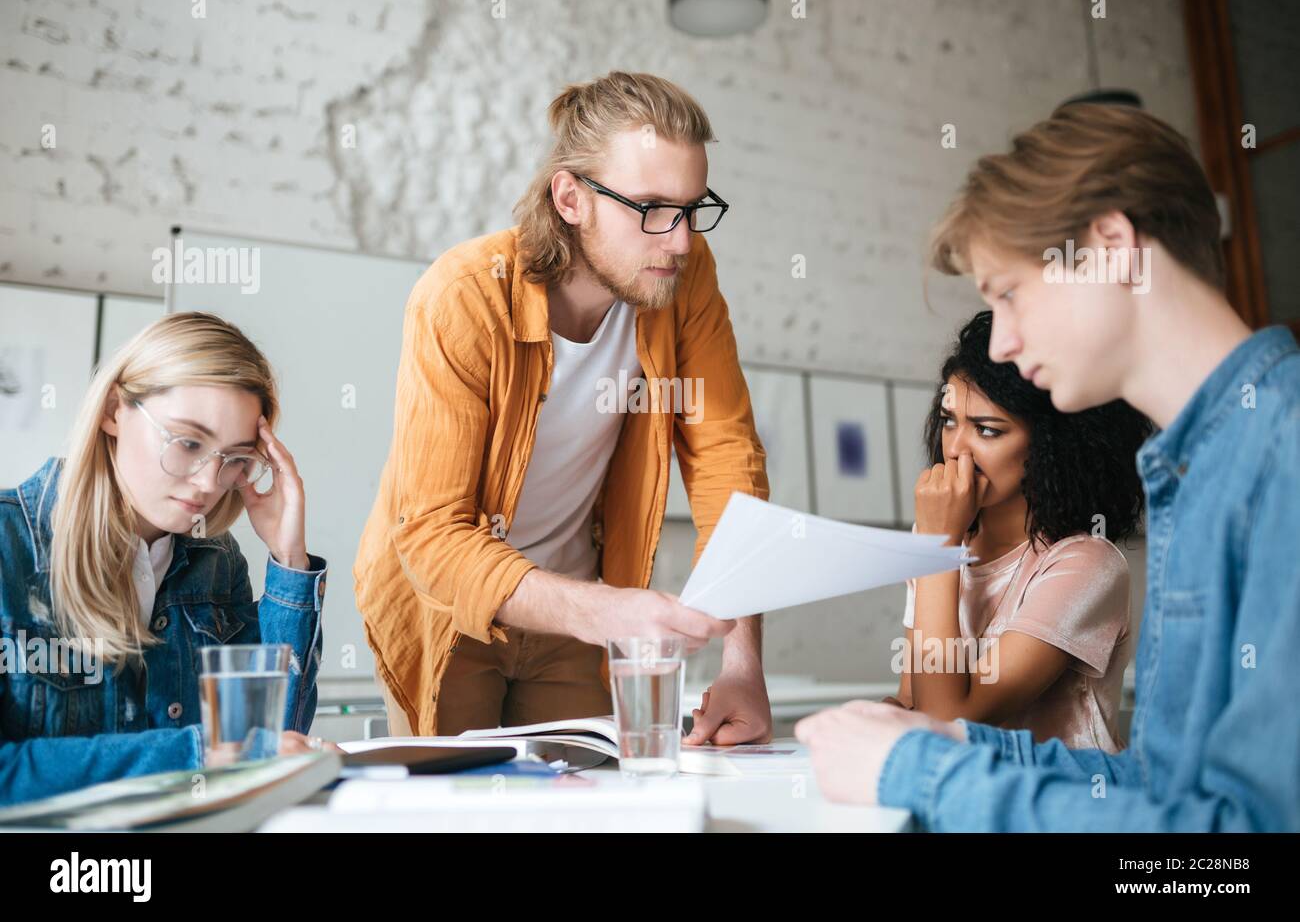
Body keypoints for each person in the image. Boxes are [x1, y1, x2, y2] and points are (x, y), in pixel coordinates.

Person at [797, 102, 1300, 831]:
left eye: (1008, 294)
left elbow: (1232, 855)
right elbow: (1168, 792)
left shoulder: (1279, 453)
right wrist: (932, 741)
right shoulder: (1206, 465)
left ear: (1112, 247)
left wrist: (920, 769)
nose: (998, 344)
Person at [354, 71, 772, 743]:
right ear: (571, 198)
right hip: (453, 610)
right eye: (653, 208)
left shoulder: (685, 278)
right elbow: (433, 536)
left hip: (578, 610)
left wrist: (742, 662)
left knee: (578, 801)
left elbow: (727, 461)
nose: (682, 240)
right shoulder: (462, 297)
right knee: (460, 807)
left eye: (693, 208)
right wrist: (605, 612)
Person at [0, 312, 331, 805]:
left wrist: (288, 560)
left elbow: (267, 753)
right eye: (188, 442)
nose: (208, 482)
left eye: (235, 458)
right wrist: (194, 757)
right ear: (114, 410)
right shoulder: (11, 543)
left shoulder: (218, 563)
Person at [891, 310, 1149, 752]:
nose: (954, 450)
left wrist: (937, 548)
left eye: (987, 430)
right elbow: (913, 701)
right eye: (950, 420)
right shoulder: (942, 536)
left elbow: (948, 725)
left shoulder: (1087, 565)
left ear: (1052, 445)